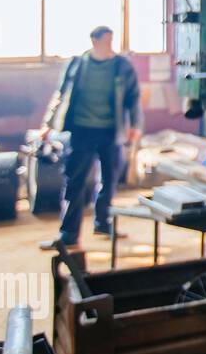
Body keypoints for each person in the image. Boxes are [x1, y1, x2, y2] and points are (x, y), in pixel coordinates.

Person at [39, 26, 143, 247]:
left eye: (111, 41)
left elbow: (133, 98)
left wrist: (136, 125)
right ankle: (69, 234)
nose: (109, 45)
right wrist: (47, 124)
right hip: (82, 131)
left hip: (111, 132)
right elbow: (60, 94)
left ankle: (103, 222)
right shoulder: (77, 65)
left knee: (109, 180)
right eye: (106, 41)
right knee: (75, 181)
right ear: (94, 41)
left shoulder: (122, 66)